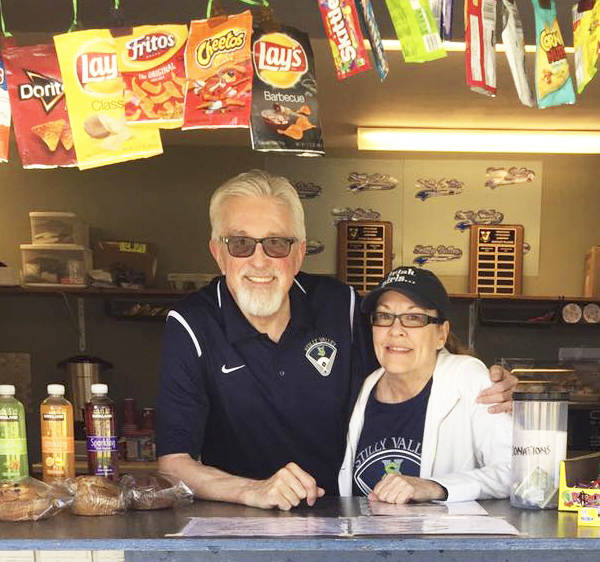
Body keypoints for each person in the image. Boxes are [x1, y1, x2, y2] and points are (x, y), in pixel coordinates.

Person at [157, 170, 514, 509]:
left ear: (298, 254)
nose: (260, 261)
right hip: (239, 523)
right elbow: (173, 464)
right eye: (240, 244)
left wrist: (489, 386)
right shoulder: (191, 323)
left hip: (345, 520)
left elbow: (402, 353)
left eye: (277, 244)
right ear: (218, 253)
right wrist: (254, 490)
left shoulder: (338, 304)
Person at [338, 266, 512, 504]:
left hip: (439, 541)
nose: (395, 330)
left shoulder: (468, 378)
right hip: (363, 541)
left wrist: (435, 487)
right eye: (384, 316)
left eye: (413, 318)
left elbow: (514, 471)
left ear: (441, 334)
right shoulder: (368, 385)